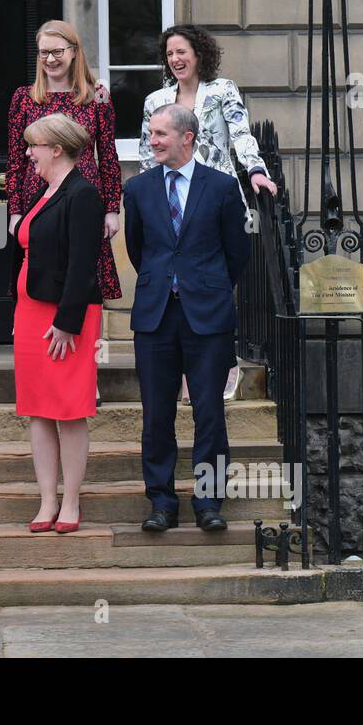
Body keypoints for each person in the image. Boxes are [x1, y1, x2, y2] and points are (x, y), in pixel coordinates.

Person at [124, 104, 250, 534]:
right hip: (156, 317)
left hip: (208, 317)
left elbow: (237, 254)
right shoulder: (138, 189)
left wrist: (204, 286)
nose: (153, 141)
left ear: (187, 137)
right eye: (151, 133)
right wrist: (167, 283)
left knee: (209, 412)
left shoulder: (221, 186)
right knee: (156, 413)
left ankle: (208, 502)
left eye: (160, 133)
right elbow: (138, 250)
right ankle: (161, 501)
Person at [137, 24, 275, 401]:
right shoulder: (156, 101)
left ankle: (225, 361)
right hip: (171, 201)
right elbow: (148, 156)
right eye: (169, 54)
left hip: (215, 197)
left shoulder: (222, 90)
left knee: (216, 278)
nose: (175, 59)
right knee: (175, 281)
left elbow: (242, 134)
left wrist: (256, 170)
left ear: (199, 53)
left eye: (182, 51)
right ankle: (184, 367)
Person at [10, 114, 105, 534]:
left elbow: (85, 265)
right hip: (31, 315)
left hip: (67, 316)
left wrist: (68, 322)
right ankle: (46, 498)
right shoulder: (44, 192)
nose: (28, 153)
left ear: (57, 149)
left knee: (67, 409)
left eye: (34, 146)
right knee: (38, 411)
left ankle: (70, 501)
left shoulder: (83, 194)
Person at [6, 20, 122, 303]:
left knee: (81, 270)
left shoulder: (98, 98)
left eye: (57, 51)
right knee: (40, 275)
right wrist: (15, 211)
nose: (50, 59)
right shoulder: (24, 98)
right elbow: (15, 161)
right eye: (44, 52)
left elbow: (108, 156)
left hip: (83, 198)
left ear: (73, 52)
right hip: (37, 197)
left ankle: (81, 339)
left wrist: (111, 209)